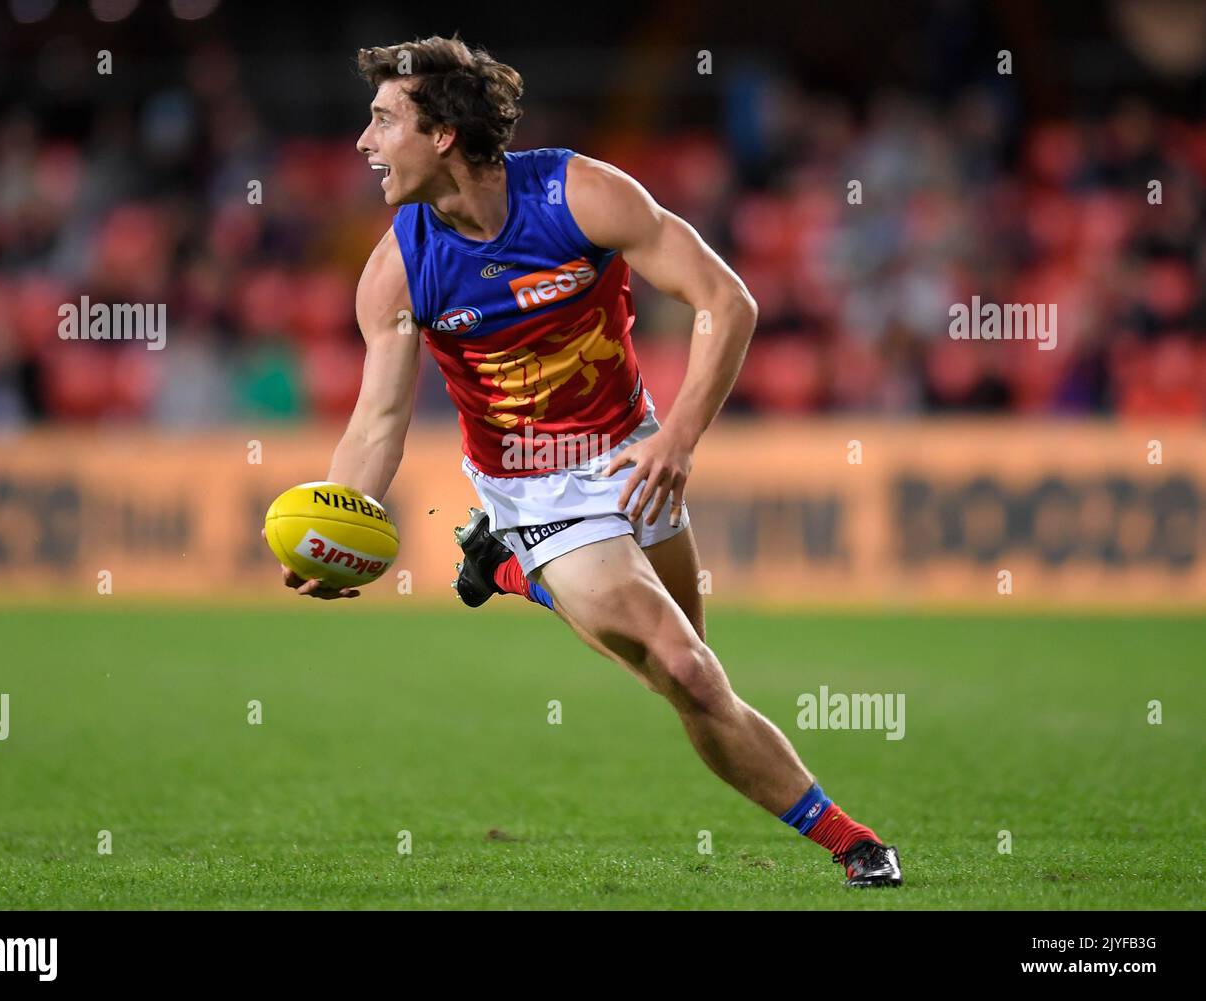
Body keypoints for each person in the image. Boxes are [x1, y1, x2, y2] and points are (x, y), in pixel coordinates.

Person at [276, 34, 901, 887]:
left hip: (632, 453)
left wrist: (677, 437)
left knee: (688, 682)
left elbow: (729, 301)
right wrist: (342, 523)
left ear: (443, 134)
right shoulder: (396, 270)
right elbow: (378, 418)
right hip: (531, 488)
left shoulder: (579, 195)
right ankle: (855, 843)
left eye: (384, 121)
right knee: (684, 666)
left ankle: (509, 574)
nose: (363, 141)